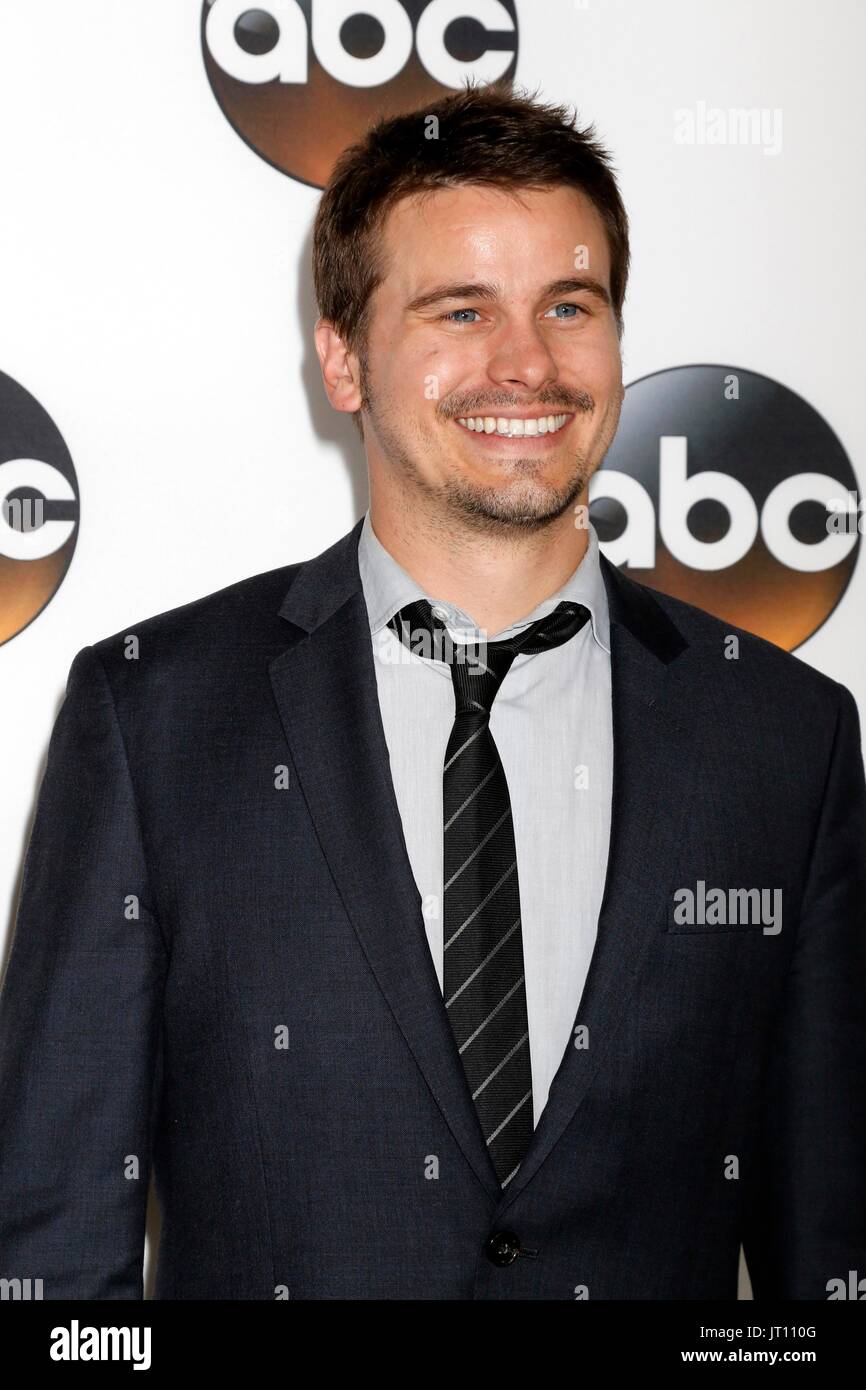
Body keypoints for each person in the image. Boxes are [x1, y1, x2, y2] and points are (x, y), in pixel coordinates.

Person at [1, 83, 864, 1301]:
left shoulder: (785, 738)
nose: (527, 363)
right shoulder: (155, 717)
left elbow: (825, 1254)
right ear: (343, 359)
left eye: (569, 305)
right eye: (460, 310)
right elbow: (51, 1257)